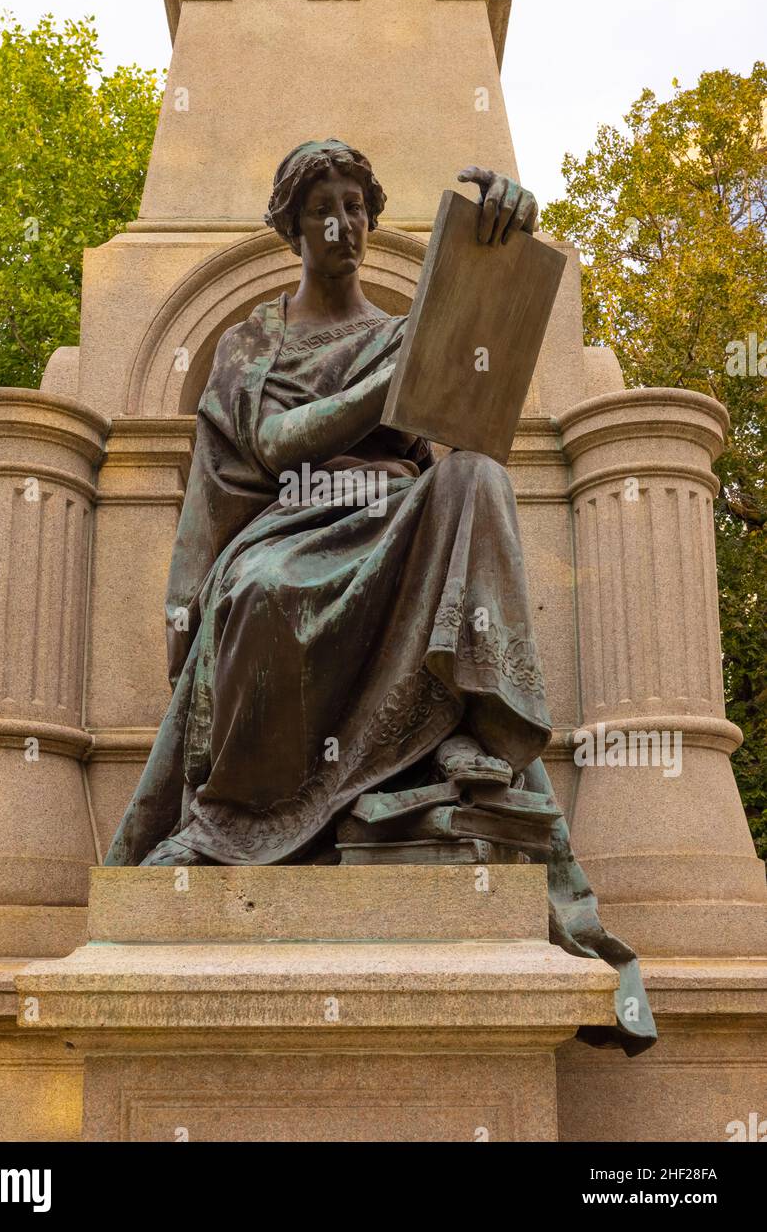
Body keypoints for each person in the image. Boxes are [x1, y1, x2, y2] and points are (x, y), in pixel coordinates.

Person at [106, 138, 657, 1056]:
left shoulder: (406, 331)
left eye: (357, 204)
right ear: (291, 226)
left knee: (476, 473)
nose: (343, 222)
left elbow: (464, 393)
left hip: (395, 516)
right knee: (266, 593)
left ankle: (478, 733)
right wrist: (382, 393)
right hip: (292, 525)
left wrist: (496, 244)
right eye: (322, 204)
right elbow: (274, 447)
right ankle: (250, 810)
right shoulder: (251, 340)